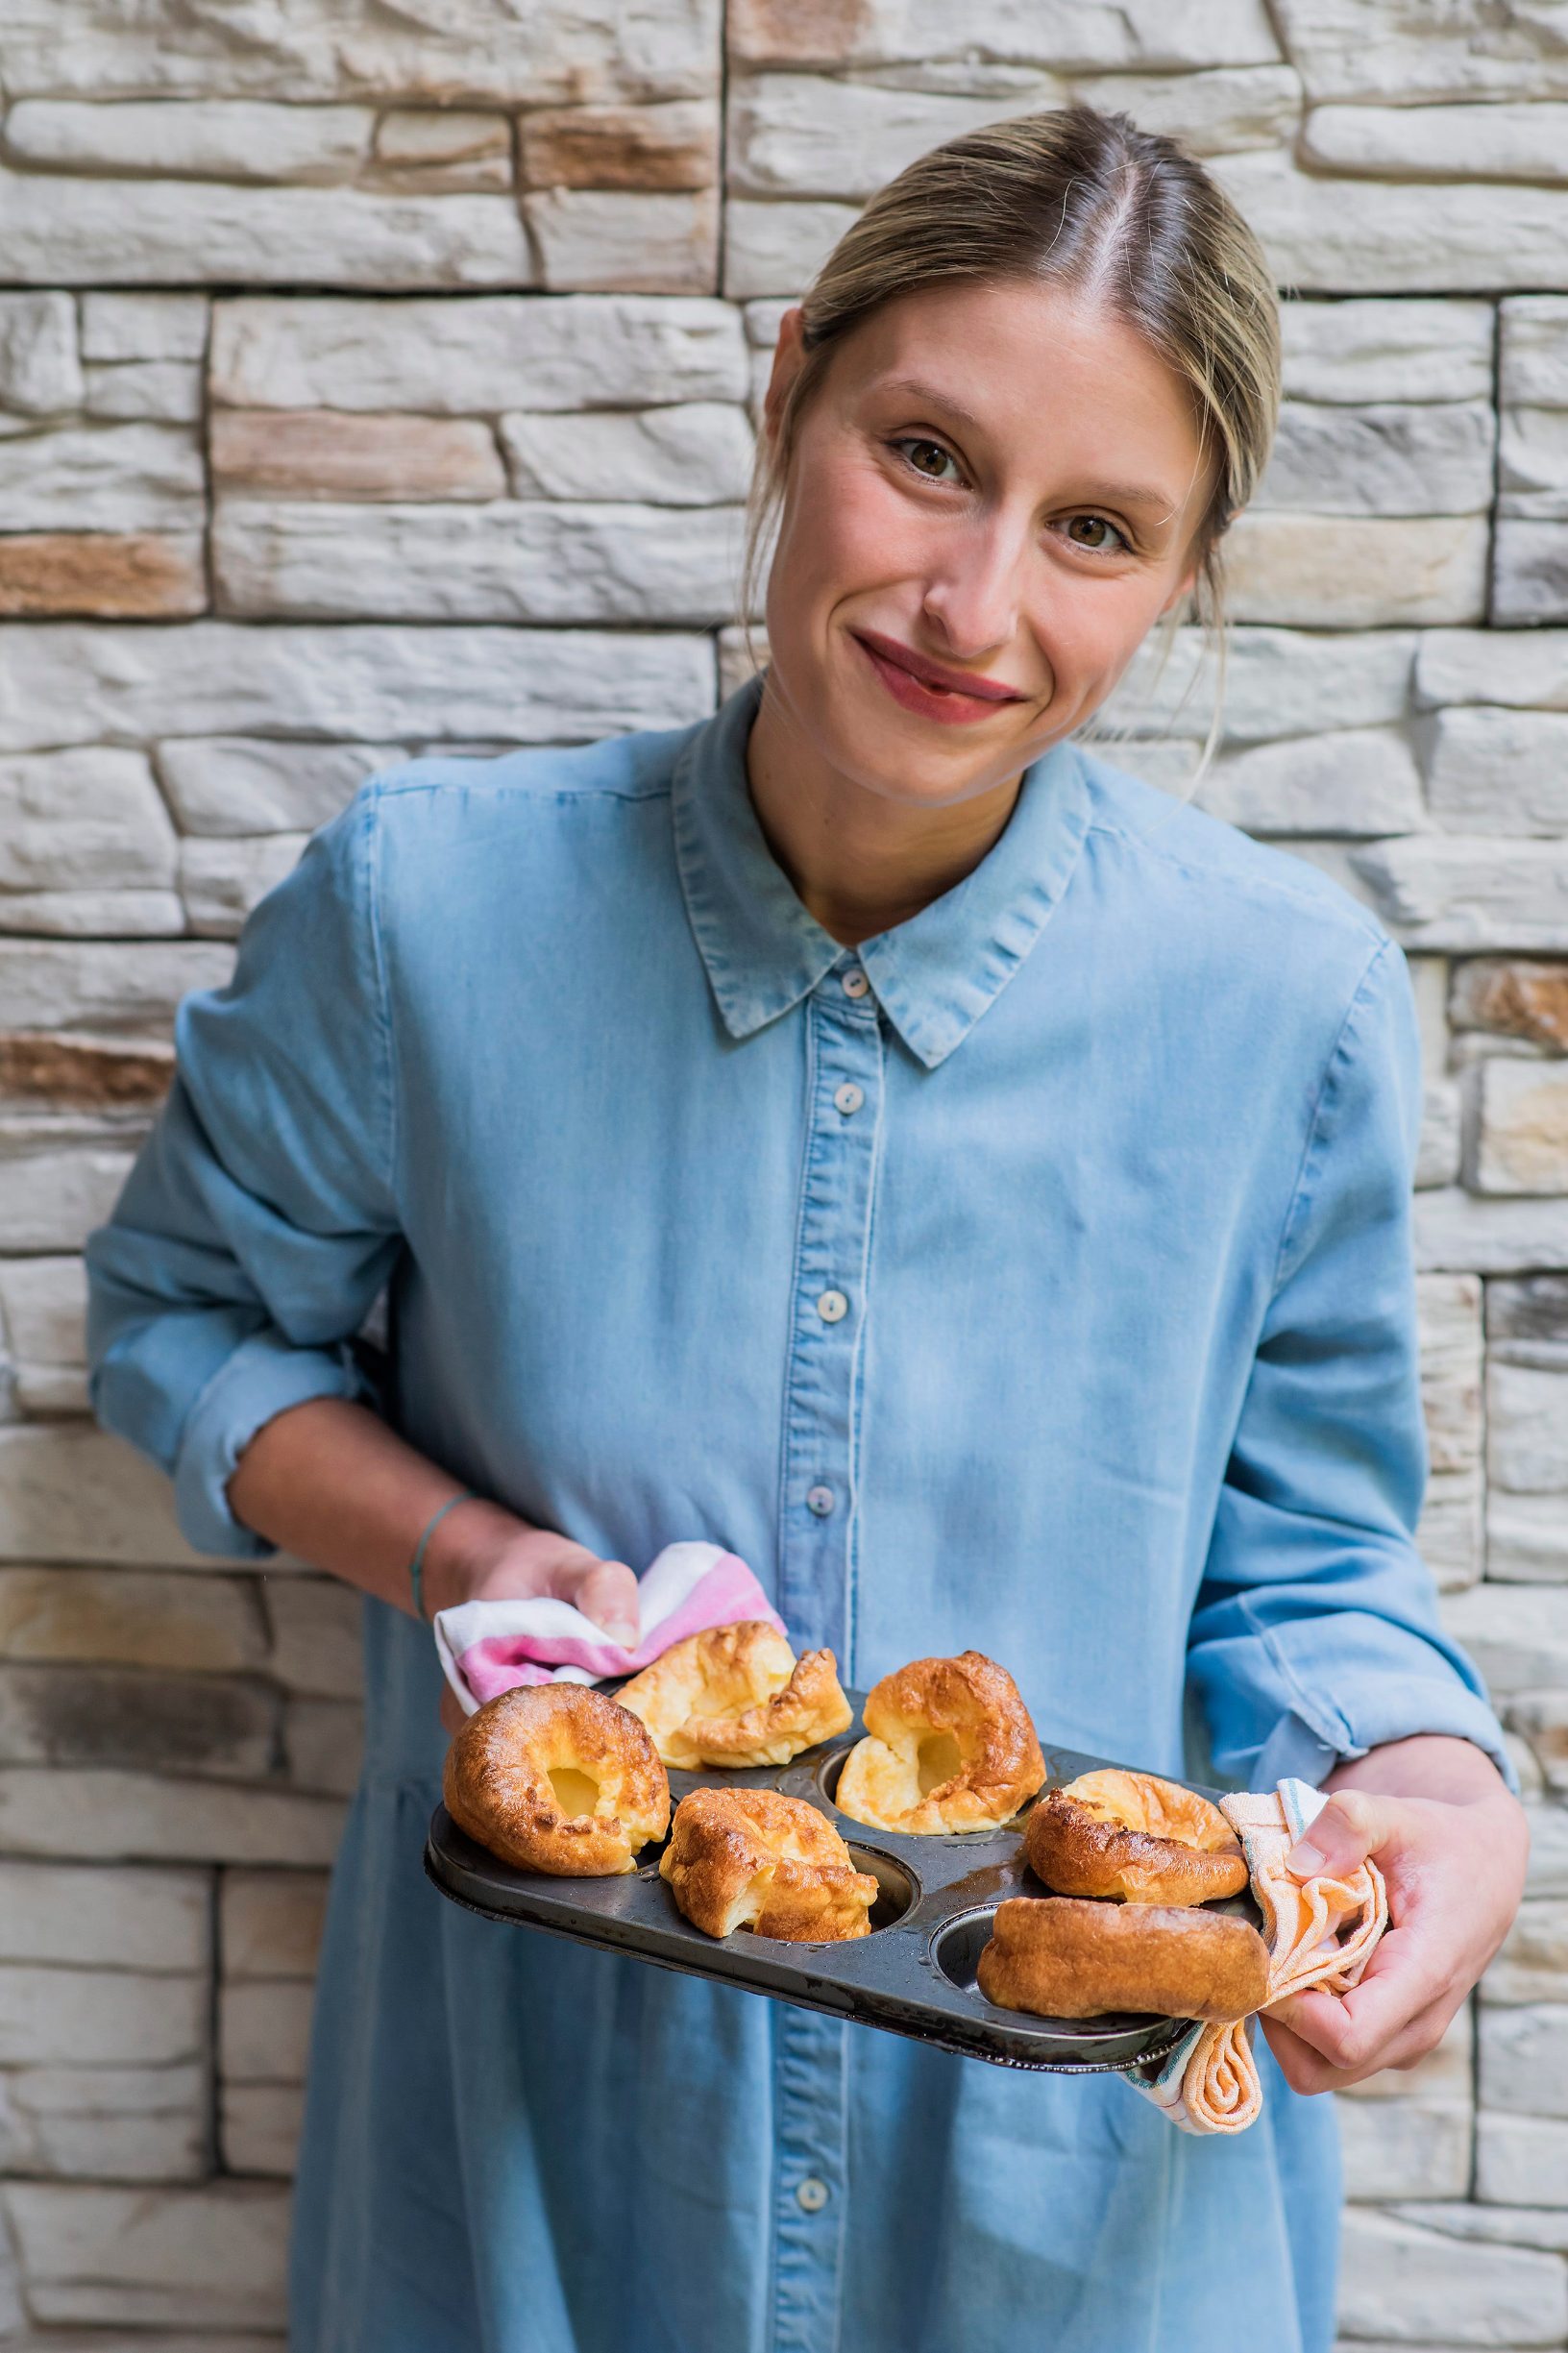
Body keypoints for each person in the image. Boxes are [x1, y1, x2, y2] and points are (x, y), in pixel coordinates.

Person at [86, 107, 1526, 2353]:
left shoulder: (1290, 1008)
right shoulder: (422, 914)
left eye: (1100, 530)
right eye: (928, 455)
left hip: (1083, 2228)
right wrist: (470, 1559)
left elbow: (1311, 1566)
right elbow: (190, 1330)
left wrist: (1444, 1804)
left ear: (1184, 572)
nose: (979, 608)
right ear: (789, 391)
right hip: (540, 2189)